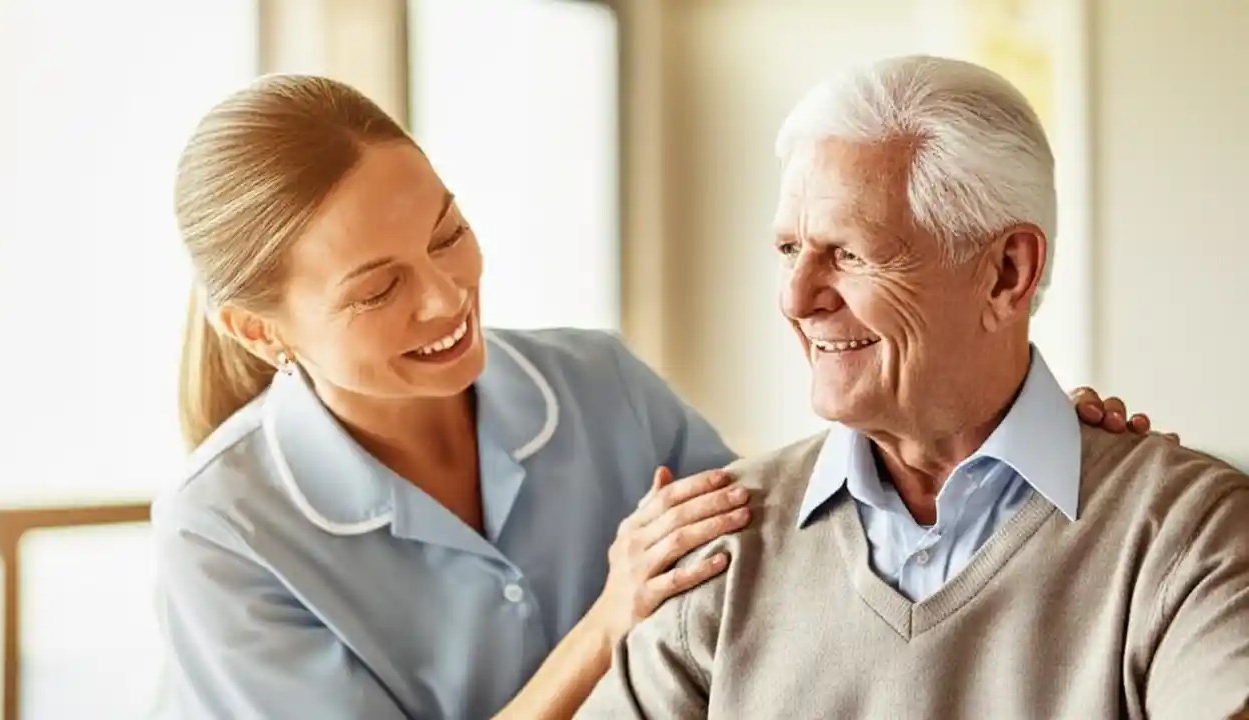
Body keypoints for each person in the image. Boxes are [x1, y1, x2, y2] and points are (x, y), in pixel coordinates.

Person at [152, 74, 1154, 720]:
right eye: (377, 288)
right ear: (259, 330)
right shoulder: (220, 530)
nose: (446, 294)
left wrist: (1014, 439)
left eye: (447, 232)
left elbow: (798, 556)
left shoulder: (595, 385)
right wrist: (606, 620)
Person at [576, 55, 1249, 719]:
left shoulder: (1188, 532)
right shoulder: (714, 547)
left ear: (1007, 274)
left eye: (849, 253)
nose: (796, 298)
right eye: (788, 250)